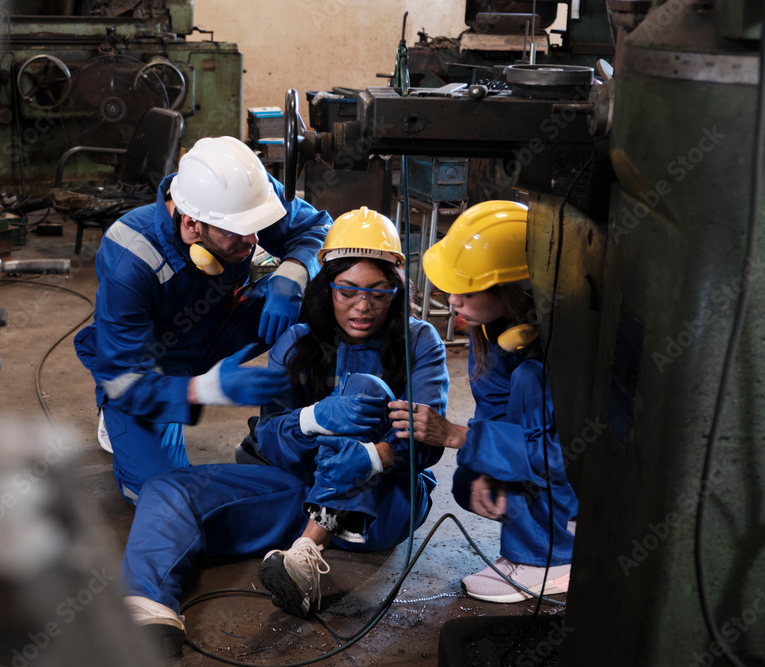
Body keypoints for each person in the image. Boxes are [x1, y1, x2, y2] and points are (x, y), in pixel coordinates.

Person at [117, 207, 450, 657]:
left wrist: (376, 456)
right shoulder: (297, 340)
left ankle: (310, 550)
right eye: (347, 290)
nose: (363, 305)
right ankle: (148, 602)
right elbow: (271, 436)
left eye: (379, 292)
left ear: (397, 290)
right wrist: (313, 419)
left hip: (383, 504)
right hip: (298, 489)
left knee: (367, 391)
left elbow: (426, 442)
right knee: (168, 490)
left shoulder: (419, 341)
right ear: (327, 286)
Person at [73, 136, 331, 503]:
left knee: (328, 292)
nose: (254, 240)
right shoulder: (128, 257)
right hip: (149, 364)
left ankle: (290, 431)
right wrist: (206, 389)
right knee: (162, 494)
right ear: (193, 223)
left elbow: (319, 228)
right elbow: (125, 379)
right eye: (237, 234)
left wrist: (292, 272)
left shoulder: (244, 197)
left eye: (256, 227)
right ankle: (122, 420)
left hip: (218, 324)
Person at [389, 200, 578, 603]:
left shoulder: (563, 352)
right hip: (547, 458)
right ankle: (544, 539)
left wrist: (459, 436)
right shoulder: (494, 332)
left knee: (524, 390)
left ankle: (552, 559)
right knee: (468, 479)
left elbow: (562, 456)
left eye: (467, 289)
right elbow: (493, 408)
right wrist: (486, 465)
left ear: (513, 290)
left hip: (583, 475)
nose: (451, 298)